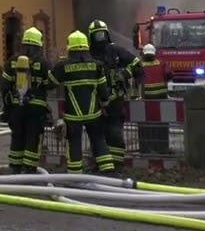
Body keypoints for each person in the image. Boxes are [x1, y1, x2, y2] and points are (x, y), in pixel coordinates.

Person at [48, 31, 115, 175]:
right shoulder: (97, 66)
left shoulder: (63, 66)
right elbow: (103, 91)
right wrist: (104, 105)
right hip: (94, 114)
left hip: (73, 116)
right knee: (98, 139)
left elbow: (50, 83)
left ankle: (75, 174)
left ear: (70, 48)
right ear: (86, 47)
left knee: (73, 142)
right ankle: (108, 170)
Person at [88, 19, 143, 172]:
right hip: (95, 102)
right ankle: (99, 164)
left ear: (106, 34)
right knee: (97, 134)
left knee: (114, 134)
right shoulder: (88, 55)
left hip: (114, 101)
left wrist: (125, 73)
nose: (99, 38)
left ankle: (117, 165)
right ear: (91, 37)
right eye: (96, 35)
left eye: (102, 34)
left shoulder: (116, 51)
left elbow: (137, 65)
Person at [0, 26, 52, 174]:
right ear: (38, 45)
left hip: (17, 106)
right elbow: (51, 83)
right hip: (37, 107)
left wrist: (7, 107)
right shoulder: (44, 62)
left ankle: (15, 167)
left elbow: (4, 86)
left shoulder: (13, 61)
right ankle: (29, 168)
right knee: (33, 137)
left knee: (17, 136)